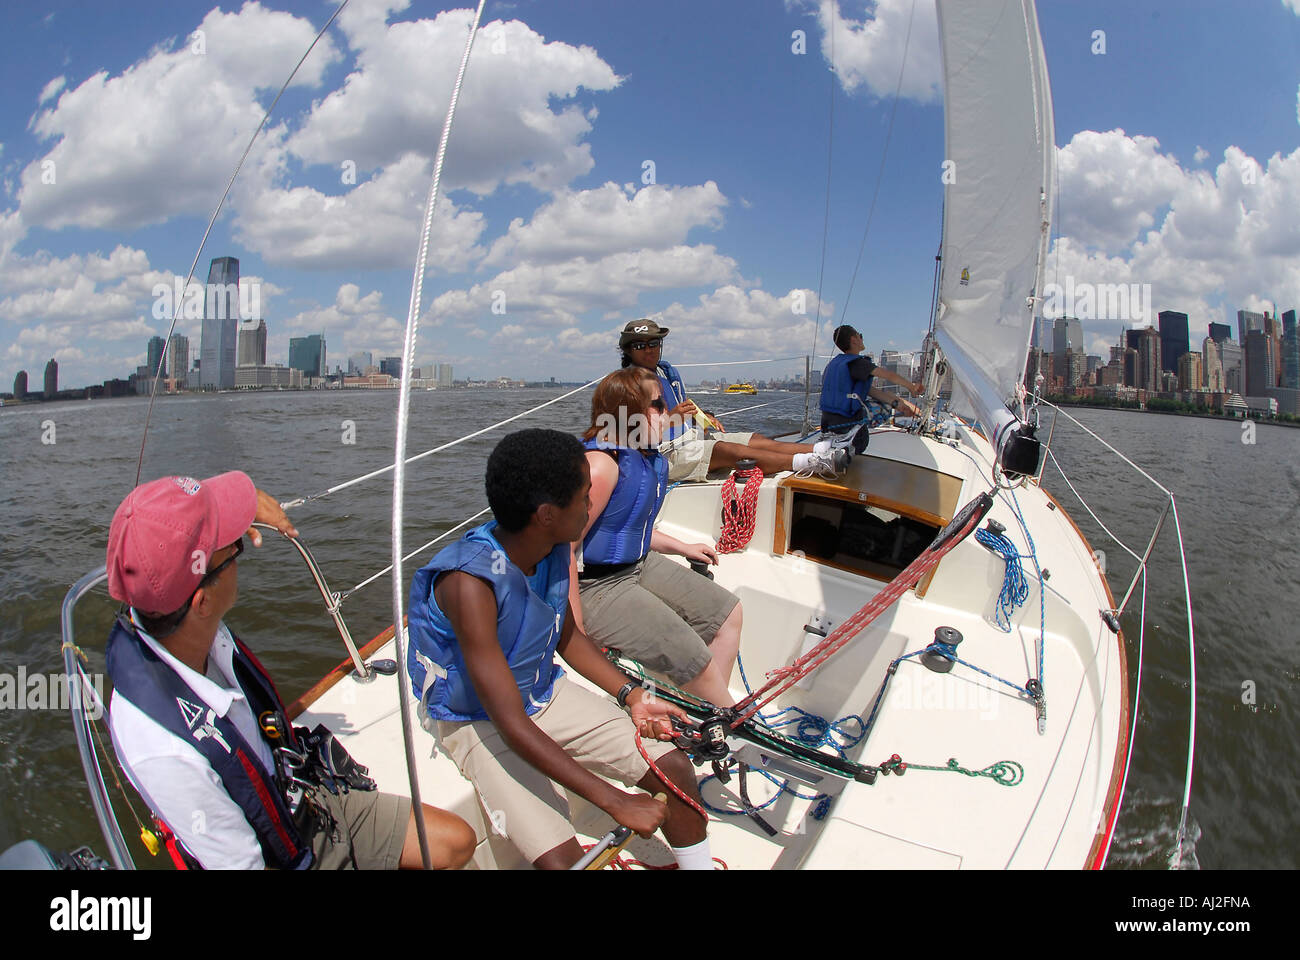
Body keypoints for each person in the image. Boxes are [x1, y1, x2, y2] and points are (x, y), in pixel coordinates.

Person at [104, 471, 476, 870]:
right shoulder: (165, 752)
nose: (241, 546)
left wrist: (238, 509)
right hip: (282, 854)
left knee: (457, 842)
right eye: (233, 548)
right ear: (202, 603)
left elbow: (159, 533)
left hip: (298, 791)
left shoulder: (169, 613)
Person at [407, 429, 714, 870]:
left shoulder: (550, 548)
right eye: (585, 497)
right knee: (564, 861)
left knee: (676, 770)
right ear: (547, 514)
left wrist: (635, 697)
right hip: (480, 719)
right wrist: (616, 802)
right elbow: (509, 721)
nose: (592, 506)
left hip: (540, 691)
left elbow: (567, 637)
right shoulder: (469, 584)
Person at [573, 367, 743, 709]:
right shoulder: (602, 466)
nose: (667, 412)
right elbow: (566, 547)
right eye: (657, 405)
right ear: (627, 413)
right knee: (694, 657)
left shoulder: (648, 459)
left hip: (637, 565)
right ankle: (723, 717)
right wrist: (575, 626)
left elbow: (629, 527)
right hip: (596, 586)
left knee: (728, 614)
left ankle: (706, 712)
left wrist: (682, 547)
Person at [618, 319, 851, 481]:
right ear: (628, 351)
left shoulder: (666, 371)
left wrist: (703, 416)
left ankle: (823, 448)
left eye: (654, 343)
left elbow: (684, 404)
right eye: (640, 345)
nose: (649, 350)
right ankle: (813, 462)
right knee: (732, 451)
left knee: (755, 439)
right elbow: (631, 435)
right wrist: (670, 419)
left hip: (690, 435)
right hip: (664, 452)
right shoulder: (626, 385)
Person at [820, 325, 924, 439]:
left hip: (828, 422)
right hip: (849, 422)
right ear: (854, 340)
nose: (862, 339)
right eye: (860, 336)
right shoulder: (858, 363)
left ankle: (916, 412)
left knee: (890, 397)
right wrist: (911, 386)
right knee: (890, 400)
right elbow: (890, 375)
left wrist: (898, 405)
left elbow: (872, 392)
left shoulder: (834, 364)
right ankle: (921, 416)